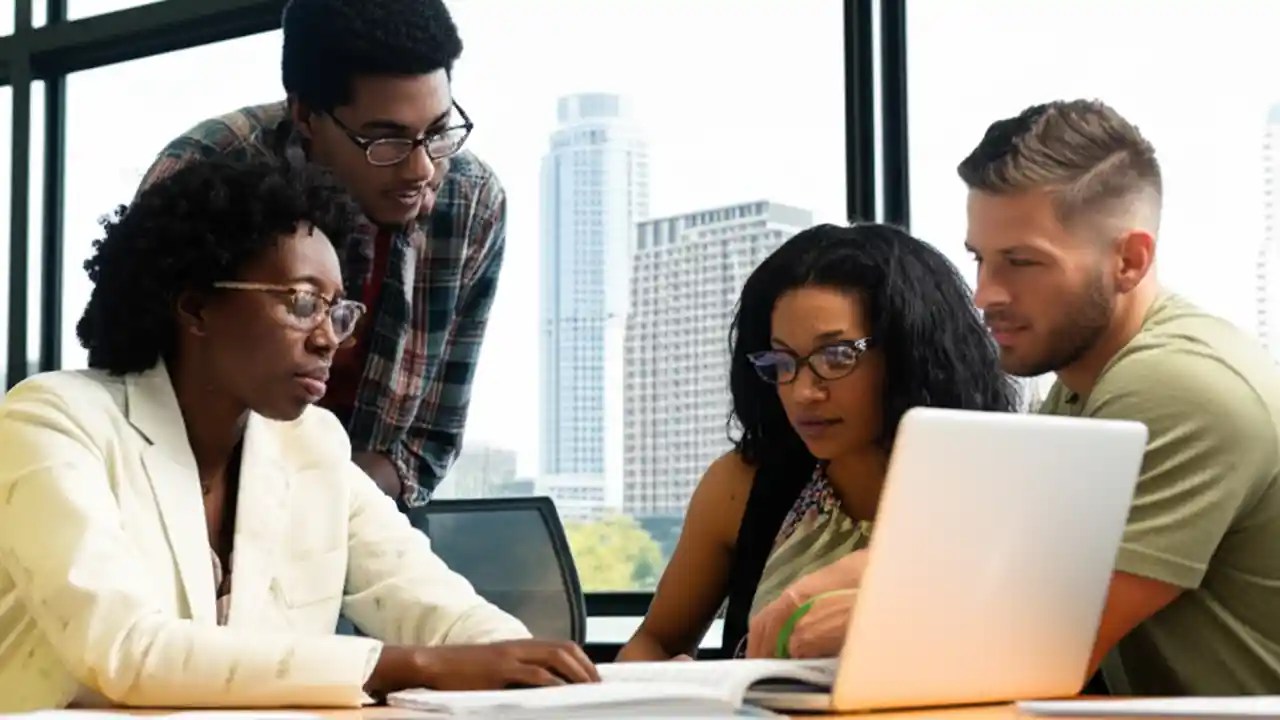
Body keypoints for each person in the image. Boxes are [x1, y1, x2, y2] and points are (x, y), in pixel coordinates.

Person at [0, 158, 596, 712]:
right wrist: (414, 665)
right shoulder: (53, 420)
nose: (329, 339)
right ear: (197, 308)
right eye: (303, 303)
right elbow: (125, 649)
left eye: (338, 312)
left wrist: (533, 672)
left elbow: (432, 604)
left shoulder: (313, 444)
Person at [749, 100, 1280, 697]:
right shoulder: (1082, 390)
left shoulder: (1179, 385)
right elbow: (980, 553)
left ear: (1129, 261)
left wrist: (871, 612)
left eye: (1022, 262)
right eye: (981, 259)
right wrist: (807, 591)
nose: (984, 295)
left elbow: (1044, 645)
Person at [136, 0, 502, 509]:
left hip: (362, 507)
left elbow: (428, 439)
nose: (421, 169)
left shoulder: (472, 203)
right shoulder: (209, 170)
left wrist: (320, 505)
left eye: (439, 131)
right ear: (306, 115)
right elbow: (138, 388)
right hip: (185, 496)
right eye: (385, 139)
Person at [615, 223, 1020, 662]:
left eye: (837, 356)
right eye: (781, 361)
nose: (803, 391)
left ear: (909, 356)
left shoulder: (990, 485)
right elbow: (656, 641)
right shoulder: (741, 483)